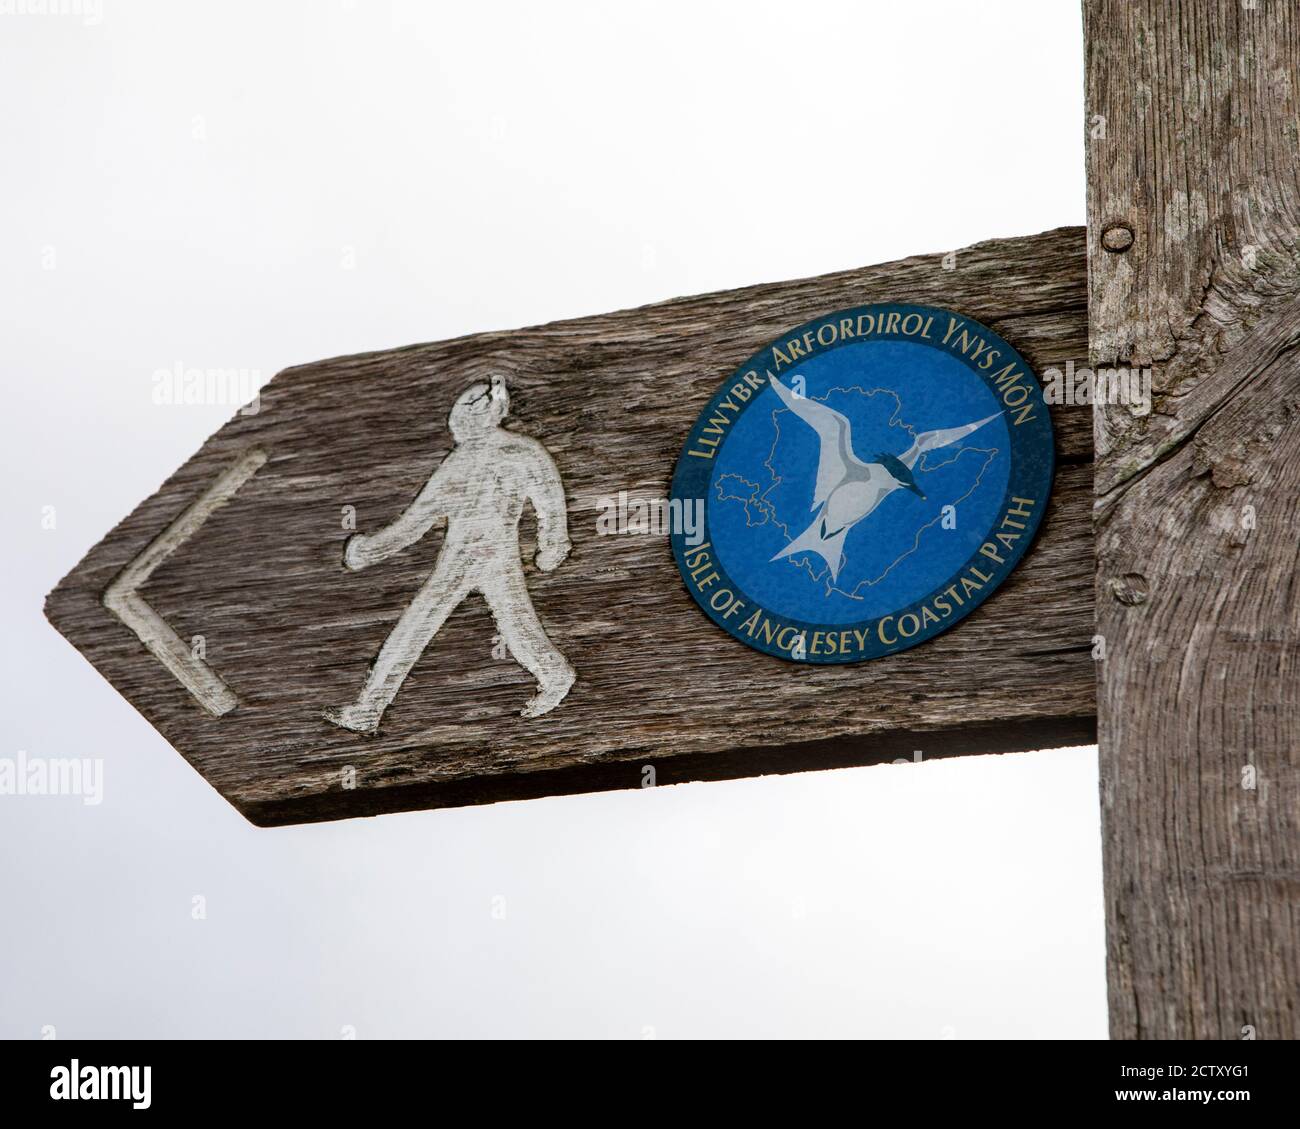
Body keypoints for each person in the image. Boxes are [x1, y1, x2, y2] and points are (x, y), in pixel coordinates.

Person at [323, 375, 575, 734]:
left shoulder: (506, 454)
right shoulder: (488, 457)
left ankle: (555, 676)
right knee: (486, 623)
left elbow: (548, 498)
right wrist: (552, 544)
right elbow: (418, 519)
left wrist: (365, 552)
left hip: (487, 555)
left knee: (439, 625)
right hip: (468, 556)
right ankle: (369, 708)